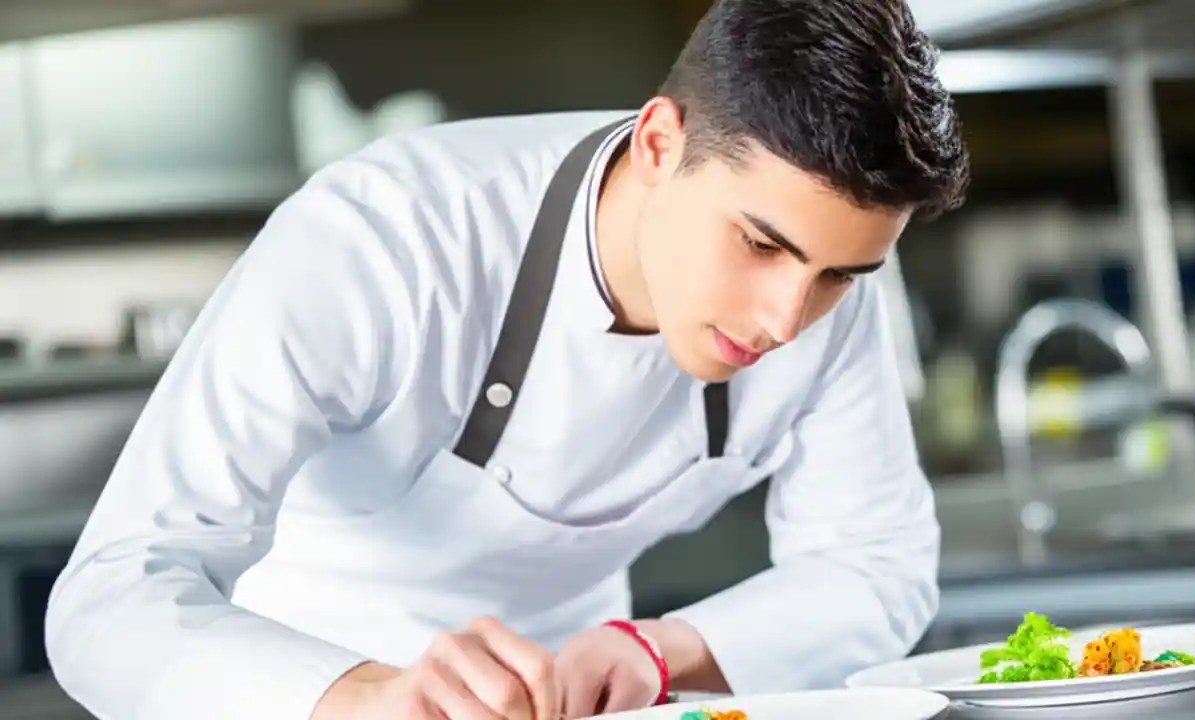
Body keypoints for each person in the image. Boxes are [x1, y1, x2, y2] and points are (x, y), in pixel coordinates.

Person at [45, 0, 969, 718]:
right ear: (659, 142)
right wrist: (371, 696)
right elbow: (111, 598)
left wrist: (656, 650)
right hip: (304, 686)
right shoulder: (382, 238)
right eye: (759, 245)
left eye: (840, 275)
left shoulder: (830, 288)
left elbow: (877, 564)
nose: (785, 318)